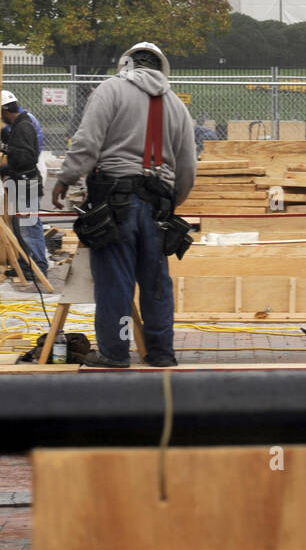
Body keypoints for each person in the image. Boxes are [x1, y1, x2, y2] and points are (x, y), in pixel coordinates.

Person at [51, 41, 196, 368]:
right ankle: (161, 353)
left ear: (126, 64)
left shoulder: (110, 90)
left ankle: (114, 353)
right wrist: (172, 202)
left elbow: (87, 142)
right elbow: (187, 167)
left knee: (116, 282)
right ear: (161, 68)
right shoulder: (176, 105)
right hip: (158, 206)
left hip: (115, 204)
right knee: (156, 284)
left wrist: (66, 178)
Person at [0, 92, 47, 283]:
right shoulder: (18, 125)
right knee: (21, 226)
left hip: (26, 184)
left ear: (4, 110)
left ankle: (38, 267)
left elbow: (28, 157)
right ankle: (27, 265)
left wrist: (6, 159)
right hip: (21, 182)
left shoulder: (24, 126)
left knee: (29, 226)